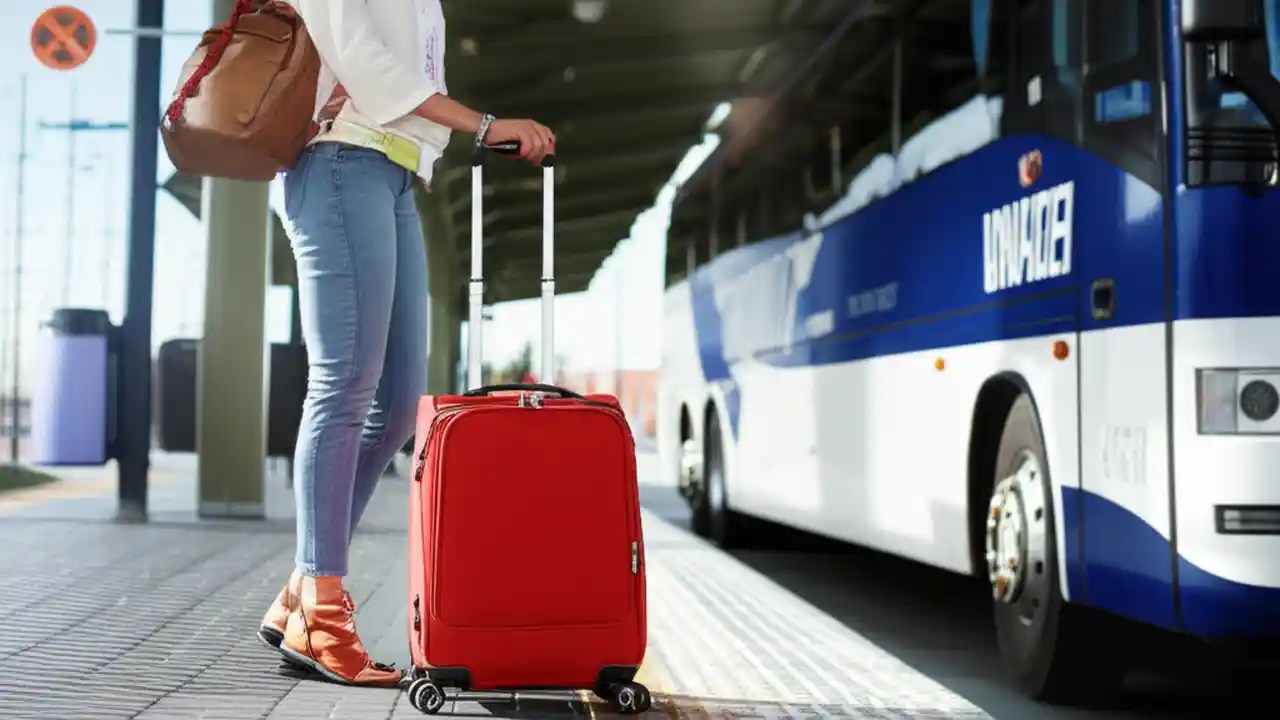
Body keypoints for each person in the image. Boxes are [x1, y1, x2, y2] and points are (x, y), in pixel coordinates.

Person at [255, 0, 555, 686]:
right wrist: (486, 125)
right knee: (344, 384)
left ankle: (306, 585)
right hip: (338, 165)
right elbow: (372, 69)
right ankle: (322, 608)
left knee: (395, 409)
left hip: (394, 178)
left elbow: (408, 90)